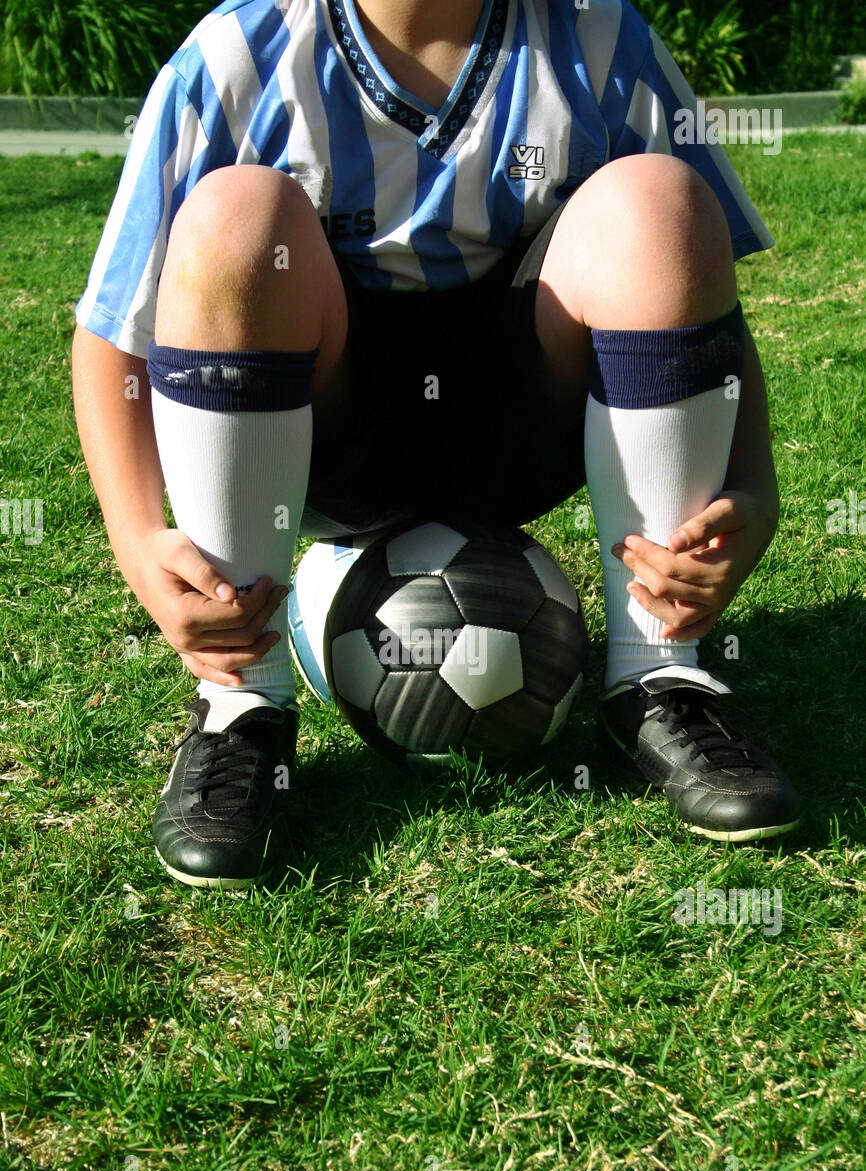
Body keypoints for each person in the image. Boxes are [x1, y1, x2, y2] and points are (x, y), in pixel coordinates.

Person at [71, 0, 800, 888]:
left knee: (662, 200)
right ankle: (240, 703)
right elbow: (113, 333)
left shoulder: (599, 38)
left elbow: (706, 298)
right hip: (323, 440)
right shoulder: (237, 55)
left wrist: (752, 488)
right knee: (236, 214)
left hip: (525, 427)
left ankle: (662, 671)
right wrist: (137, 537)